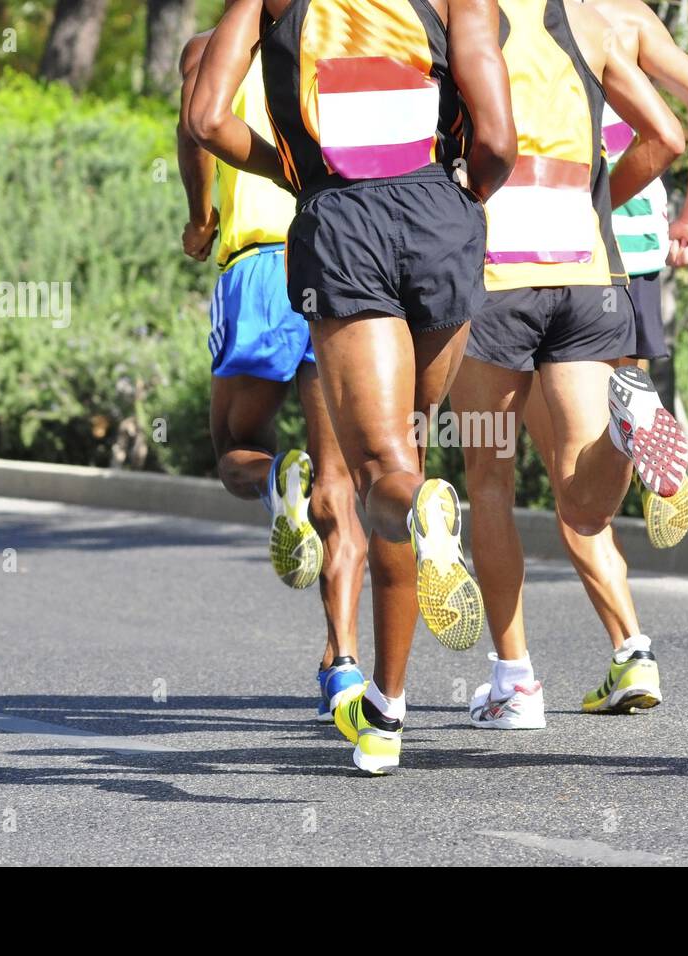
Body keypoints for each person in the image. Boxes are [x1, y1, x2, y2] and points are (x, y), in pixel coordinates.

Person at [189, 0, 517, 774]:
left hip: (340, 217)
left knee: (380, 475)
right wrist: (462, 200)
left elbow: (207, 116)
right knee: (409, 452)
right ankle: (389, 707)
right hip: (442, 214)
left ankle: (418, 533)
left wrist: (287, 168)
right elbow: (499, 140)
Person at [449, 0, 688, 730]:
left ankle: (515, 682)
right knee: (584, 500)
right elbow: (668, 137)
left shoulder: (456, 16)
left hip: (495, 282)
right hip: (587, 279)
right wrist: (594, 208)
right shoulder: (590, 21)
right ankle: (630, 425)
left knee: (489, 476)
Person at [518, 0, 688, 718]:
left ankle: (619, 654)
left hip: (549, 240)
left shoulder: (509, 17)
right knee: (603, 433)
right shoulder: (626, 16)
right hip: (635, 245)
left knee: (566, 481)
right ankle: (629, 653)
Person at [177, 8, 367, 722]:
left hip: (257, 263)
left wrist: (200, 218)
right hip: (342, 254)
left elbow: (198, 126)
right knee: (341, 484)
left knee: (234, 449)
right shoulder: (350, 36)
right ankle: (343, 666)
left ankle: (273, 482)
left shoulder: (208, 47)